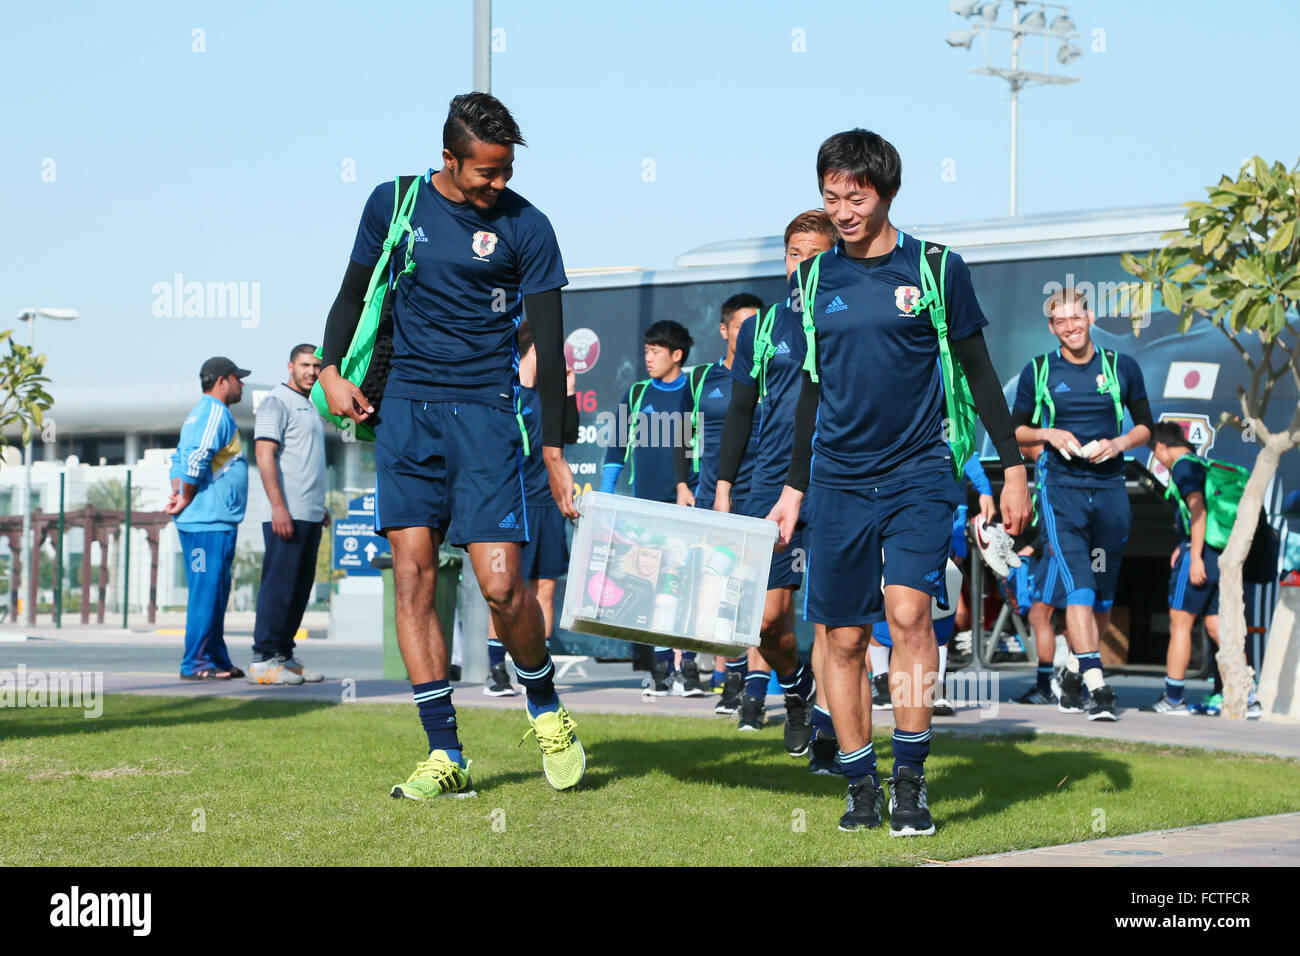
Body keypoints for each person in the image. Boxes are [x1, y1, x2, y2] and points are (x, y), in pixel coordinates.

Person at [317, 92, 584, 798]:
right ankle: (446, 753)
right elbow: (352, 294)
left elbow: (551, 353)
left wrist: (554, 453)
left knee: (502, 587)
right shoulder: (394, 203)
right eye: (485, 174)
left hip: (489, 417)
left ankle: (546, 706)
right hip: (405, 411)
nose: (498, 186)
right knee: (412, 576)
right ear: (448, 159)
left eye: (506, 172)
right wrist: (331, 370)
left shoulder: (530, 227)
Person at [768, 130, 1031, 836]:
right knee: (843, 638)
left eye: (857, 196)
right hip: (839, 481)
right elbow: (810, 392)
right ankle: (861, 783)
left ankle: (910, 780)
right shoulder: (815, 280)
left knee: (912, 615)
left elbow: (979, 369)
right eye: (831, 196)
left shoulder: (939, 269)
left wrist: (1012, 468)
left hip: (919, 471)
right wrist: (795, 487)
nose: (844, 210)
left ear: (886, 193)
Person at [715, 211, 837, 754]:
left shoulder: (849, 317)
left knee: (837, 623)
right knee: (765, 621)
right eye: (793, 254)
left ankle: (834, 740)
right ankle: (795, 688)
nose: (801, 265)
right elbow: (740, 412)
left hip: (837, 477)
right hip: (770, 483)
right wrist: (723, 486)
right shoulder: (762, 328)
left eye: (813, 255)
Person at [1010, 288, 1153, 721]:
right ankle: (1098, 687)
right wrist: (1048, 435)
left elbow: (1146, 425)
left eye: (1076, 318)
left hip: (1110, 489)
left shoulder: (1120, 366)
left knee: (1103, 599)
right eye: (1060, 321)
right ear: (1052, 328)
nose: (1070, 327)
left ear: (1090, 318)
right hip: (1061, 489)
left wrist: (1120, 442)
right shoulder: (1039, 371)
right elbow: (1015, 430)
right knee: (1080, 586)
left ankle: (1073, 671)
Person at [600, 319, 698, 694]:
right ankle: (660, 669)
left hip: (685, 504)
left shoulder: (693, 390)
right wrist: (607, 496)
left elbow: (697, 447)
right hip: (645, 508)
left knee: (685, 582)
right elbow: (616, 450)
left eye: (656, 351)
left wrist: (692, 489)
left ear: (677, 355)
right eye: (646, 351)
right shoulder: (637, 393)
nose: (649, 358)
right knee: (653, 585)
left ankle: (687, 667)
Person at [673, 293, 762, 698]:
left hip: (762, 495)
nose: (751, 334)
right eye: (743, 326)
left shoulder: (772, 373)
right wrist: (683, 484)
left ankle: (747, 687)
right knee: (714, 589)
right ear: (724, 330)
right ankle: (719, 677)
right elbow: (680, 433)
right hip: (713, 496)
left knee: (752, 595)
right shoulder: (700, 378)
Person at [485, 323, 579, 696]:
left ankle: (537, 675)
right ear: (531, 352)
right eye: (547, 352)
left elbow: (567, 436)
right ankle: (496, 671)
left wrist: (569, 390)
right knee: (506, 589)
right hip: (511, 505)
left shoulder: (549, 395)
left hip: (547, 505)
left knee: (545, 590)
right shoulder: (503, 392)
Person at [248, 344, 329, 685]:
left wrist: (319, 506)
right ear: (290, 366)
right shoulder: (275, 401)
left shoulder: (309, 406)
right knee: (279, 587)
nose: (311, 371)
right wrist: (279, 506)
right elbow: (264, 452)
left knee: (299, 589)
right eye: (305, 365)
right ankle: (263, 660)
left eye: (316, 365)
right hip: (286, 513)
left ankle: (284, 654)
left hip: (309, 513)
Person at [165, 357, 251, 681]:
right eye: (237, 378)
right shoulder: (214, 412)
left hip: (214, 521)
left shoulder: (199, 414)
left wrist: (178, 492)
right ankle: (196, 663)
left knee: (215, 592)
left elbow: (179, 458)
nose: (241, 384)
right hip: (206, 523)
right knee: (206, 592)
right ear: (221, 381)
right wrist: (184, 497)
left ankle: (216, 658)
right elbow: (196, 457)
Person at [1144, 422, 1221, 715]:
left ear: (1161, 447)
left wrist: (1195, 553)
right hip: (1218, 552)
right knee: (1216, 625)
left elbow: (1197, 506)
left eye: (1156, 453)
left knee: (1180, 621)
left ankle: (1173, 698)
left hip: (1200, 553)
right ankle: (1242, 695)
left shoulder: (1182, 467)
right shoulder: (1202, 463)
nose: (1159, 460)